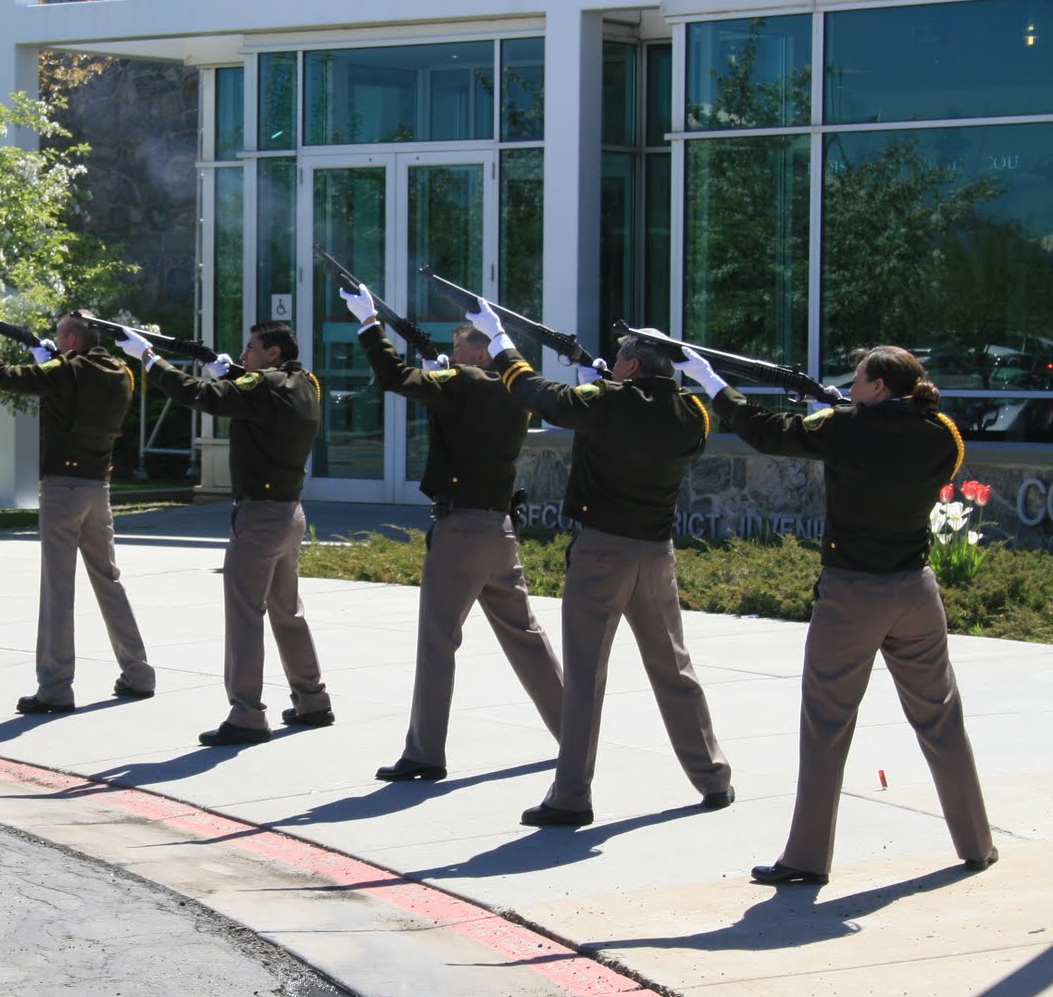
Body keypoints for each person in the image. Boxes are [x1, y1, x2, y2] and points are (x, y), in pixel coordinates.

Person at [677, 344, 997, 883]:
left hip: (853, 593)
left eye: (858, 380)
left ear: (879, 388)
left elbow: (765, 430)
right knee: (941, 718)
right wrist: (853, 410)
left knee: (826, 725)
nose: (849, 387)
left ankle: (805, 858)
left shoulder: (846, 427)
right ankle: (976, 842)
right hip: (916, 591)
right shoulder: (942, 432)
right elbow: (902, 439)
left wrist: (712, 382)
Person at [474, 309, 732, 824]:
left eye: (620, 359)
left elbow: (536, 394)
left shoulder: (609, 402)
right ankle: (713, 777)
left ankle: (571, 796)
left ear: (633, 366)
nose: (612, 364)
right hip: (655, 554)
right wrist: (599, 379)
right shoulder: (690, 413)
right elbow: (632, 419)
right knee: (674, 667)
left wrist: (499, 340)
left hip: (602, 553)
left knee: (587, 677)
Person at [340, 287, 563, 781]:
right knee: (525, 636)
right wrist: (450, 371)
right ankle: (574, 733)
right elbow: (462, 401)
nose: (452, 354)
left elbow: (394, 376)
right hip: (499, 528)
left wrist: (368, 324)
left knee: (437, 640)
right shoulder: (511, 390)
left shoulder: (463, 381)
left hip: (461, 527)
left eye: (460, 349)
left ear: (480, 352)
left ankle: (424, 753)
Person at [113, 320, 333, 746]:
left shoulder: (262, 386)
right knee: (288, 611)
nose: (244, 353)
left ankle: (247, 714)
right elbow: (264, 395)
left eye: (251, 348)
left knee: (245, 616)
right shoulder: (306, 383)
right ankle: (312, 699)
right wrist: (229, 370)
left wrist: (148, 358)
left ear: (271, 353)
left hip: (259, 519)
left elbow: (197, 395)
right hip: (290, 513)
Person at [0, 309, 156, 714]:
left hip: (63, 489)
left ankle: (55, 687)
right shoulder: (120, 372)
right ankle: (138, 671)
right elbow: (73, 395)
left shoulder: (67, 371)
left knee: (58, 588)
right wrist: (51, 357)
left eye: (60, 338)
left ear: (71, 341)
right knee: (109, 580)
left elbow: (2, 377)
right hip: (97, 486)